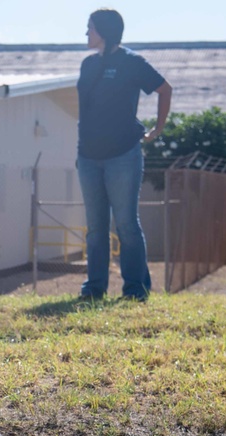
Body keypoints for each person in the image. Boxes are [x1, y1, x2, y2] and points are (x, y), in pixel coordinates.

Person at [77, 8, 172, 302]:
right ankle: (94, 288)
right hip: (89, 157)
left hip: (123, 155)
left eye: (89, 28)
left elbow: (164, 89)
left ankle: (135, 289)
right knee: (95, 229)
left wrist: (157, 129)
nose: (86, 33)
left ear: (104, 30)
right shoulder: (88, 65)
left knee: (127, 224)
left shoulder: (131, 63)